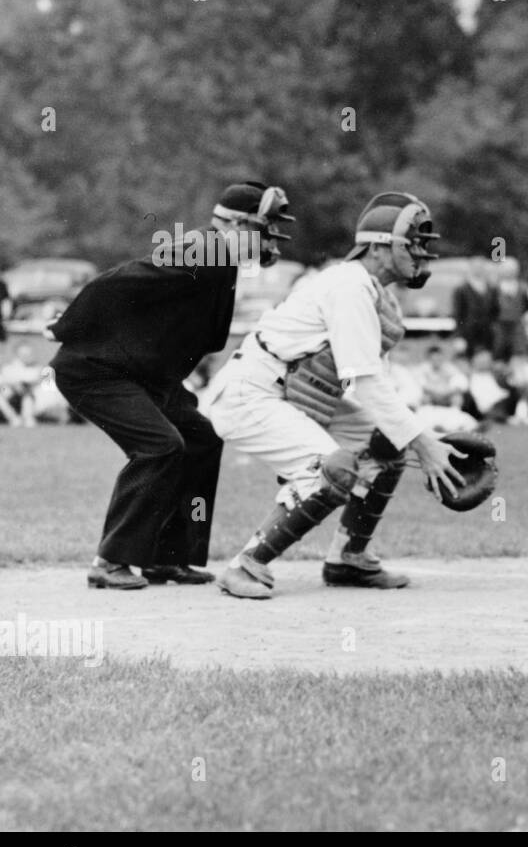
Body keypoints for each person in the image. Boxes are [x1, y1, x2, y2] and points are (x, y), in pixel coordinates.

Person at [207, 192, 464, 600]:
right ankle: (245, 566)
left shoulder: (372, 289)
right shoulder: (349, 287)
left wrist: (413, 436)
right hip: (252, 392)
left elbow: (372, 382)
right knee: (333, 469)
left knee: (386, 445)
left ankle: (349, 559)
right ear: (379, 246)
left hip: (292, 389)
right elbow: (363, 380)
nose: (421, 251)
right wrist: (425, 442)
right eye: (412, 241)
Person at [48, 181, 295, 589]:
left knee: (200, 439)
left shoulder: (223, 257)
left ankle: (167, 558)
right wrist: (65, 327)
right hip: (94, 369)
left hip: (140, 373)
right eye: (265, 228)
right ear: (236, 225)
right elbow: (117, 281)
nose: (272, 239)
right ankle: (109, 561)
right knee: (159, 446)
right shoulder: (207, 247)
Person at [451, 256, 498, 360]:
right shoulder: (461, 289)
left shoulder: (491, 288)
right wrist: (459, 336)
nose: (479, 269)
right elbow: (458, 314)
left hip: (487, 332)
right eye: (476, 267)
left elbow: (495, 311)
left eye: (481, 267)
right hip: (468, 332)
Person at [492, 256, 528, 361]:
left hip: (516, 325)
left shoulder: (522, 288)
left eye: (512, 270)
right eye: (507, 270)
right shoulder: (494, 288)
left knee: (518, 352)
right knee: (498, 351)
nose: (509, 273)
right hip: (499, 325)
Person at [0, 343, 43, 426]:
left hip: (31, 400)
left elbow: (37, 382)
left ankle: (28, 419)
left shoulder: (37, 368)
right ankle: (13, 418)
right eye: (23, 354)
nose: (27, 356)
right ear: (17, 355)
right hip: (9, 399)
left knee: (27, 394)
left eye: (29, 354)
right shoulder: (8, 368)